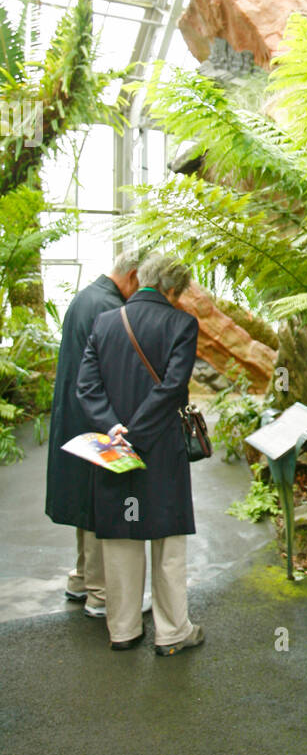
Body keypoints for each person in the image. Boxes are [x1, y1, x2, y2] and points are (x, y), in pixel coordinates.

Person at [76, 252, 204, 655]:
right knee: (167, 541)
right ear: (172, 289)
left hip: (113, 448)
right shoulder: (182, 324)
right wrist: (139, 432)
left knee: (120, 537)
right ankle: (171, 632)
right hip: (161, 448)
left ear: (143, 279)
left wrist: (115, 429)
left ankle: (124, 629)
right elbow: (172, 388)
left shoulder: (105, 321)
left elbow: (87, 387)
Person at [45, 250, 143, 618]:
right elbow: (113, 372)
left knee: (84, 502)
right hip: (96, 418)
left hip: (73, 415)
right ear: (132, 275)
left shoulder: (85, 297)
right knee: (100, 504)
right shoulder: (109, 307)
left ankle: (82, 578)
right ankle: (101, 595)